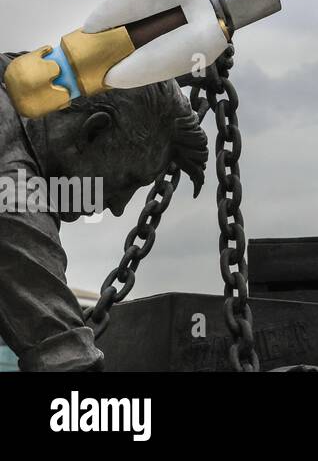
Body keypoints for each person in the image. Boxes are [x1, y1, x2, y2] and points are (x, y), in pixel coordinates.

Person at [0, 54, 206, 371]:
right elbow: (67, 361)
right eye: (127, 181)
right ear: (94, 132)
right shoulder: (14, 193)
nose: (118, 206)